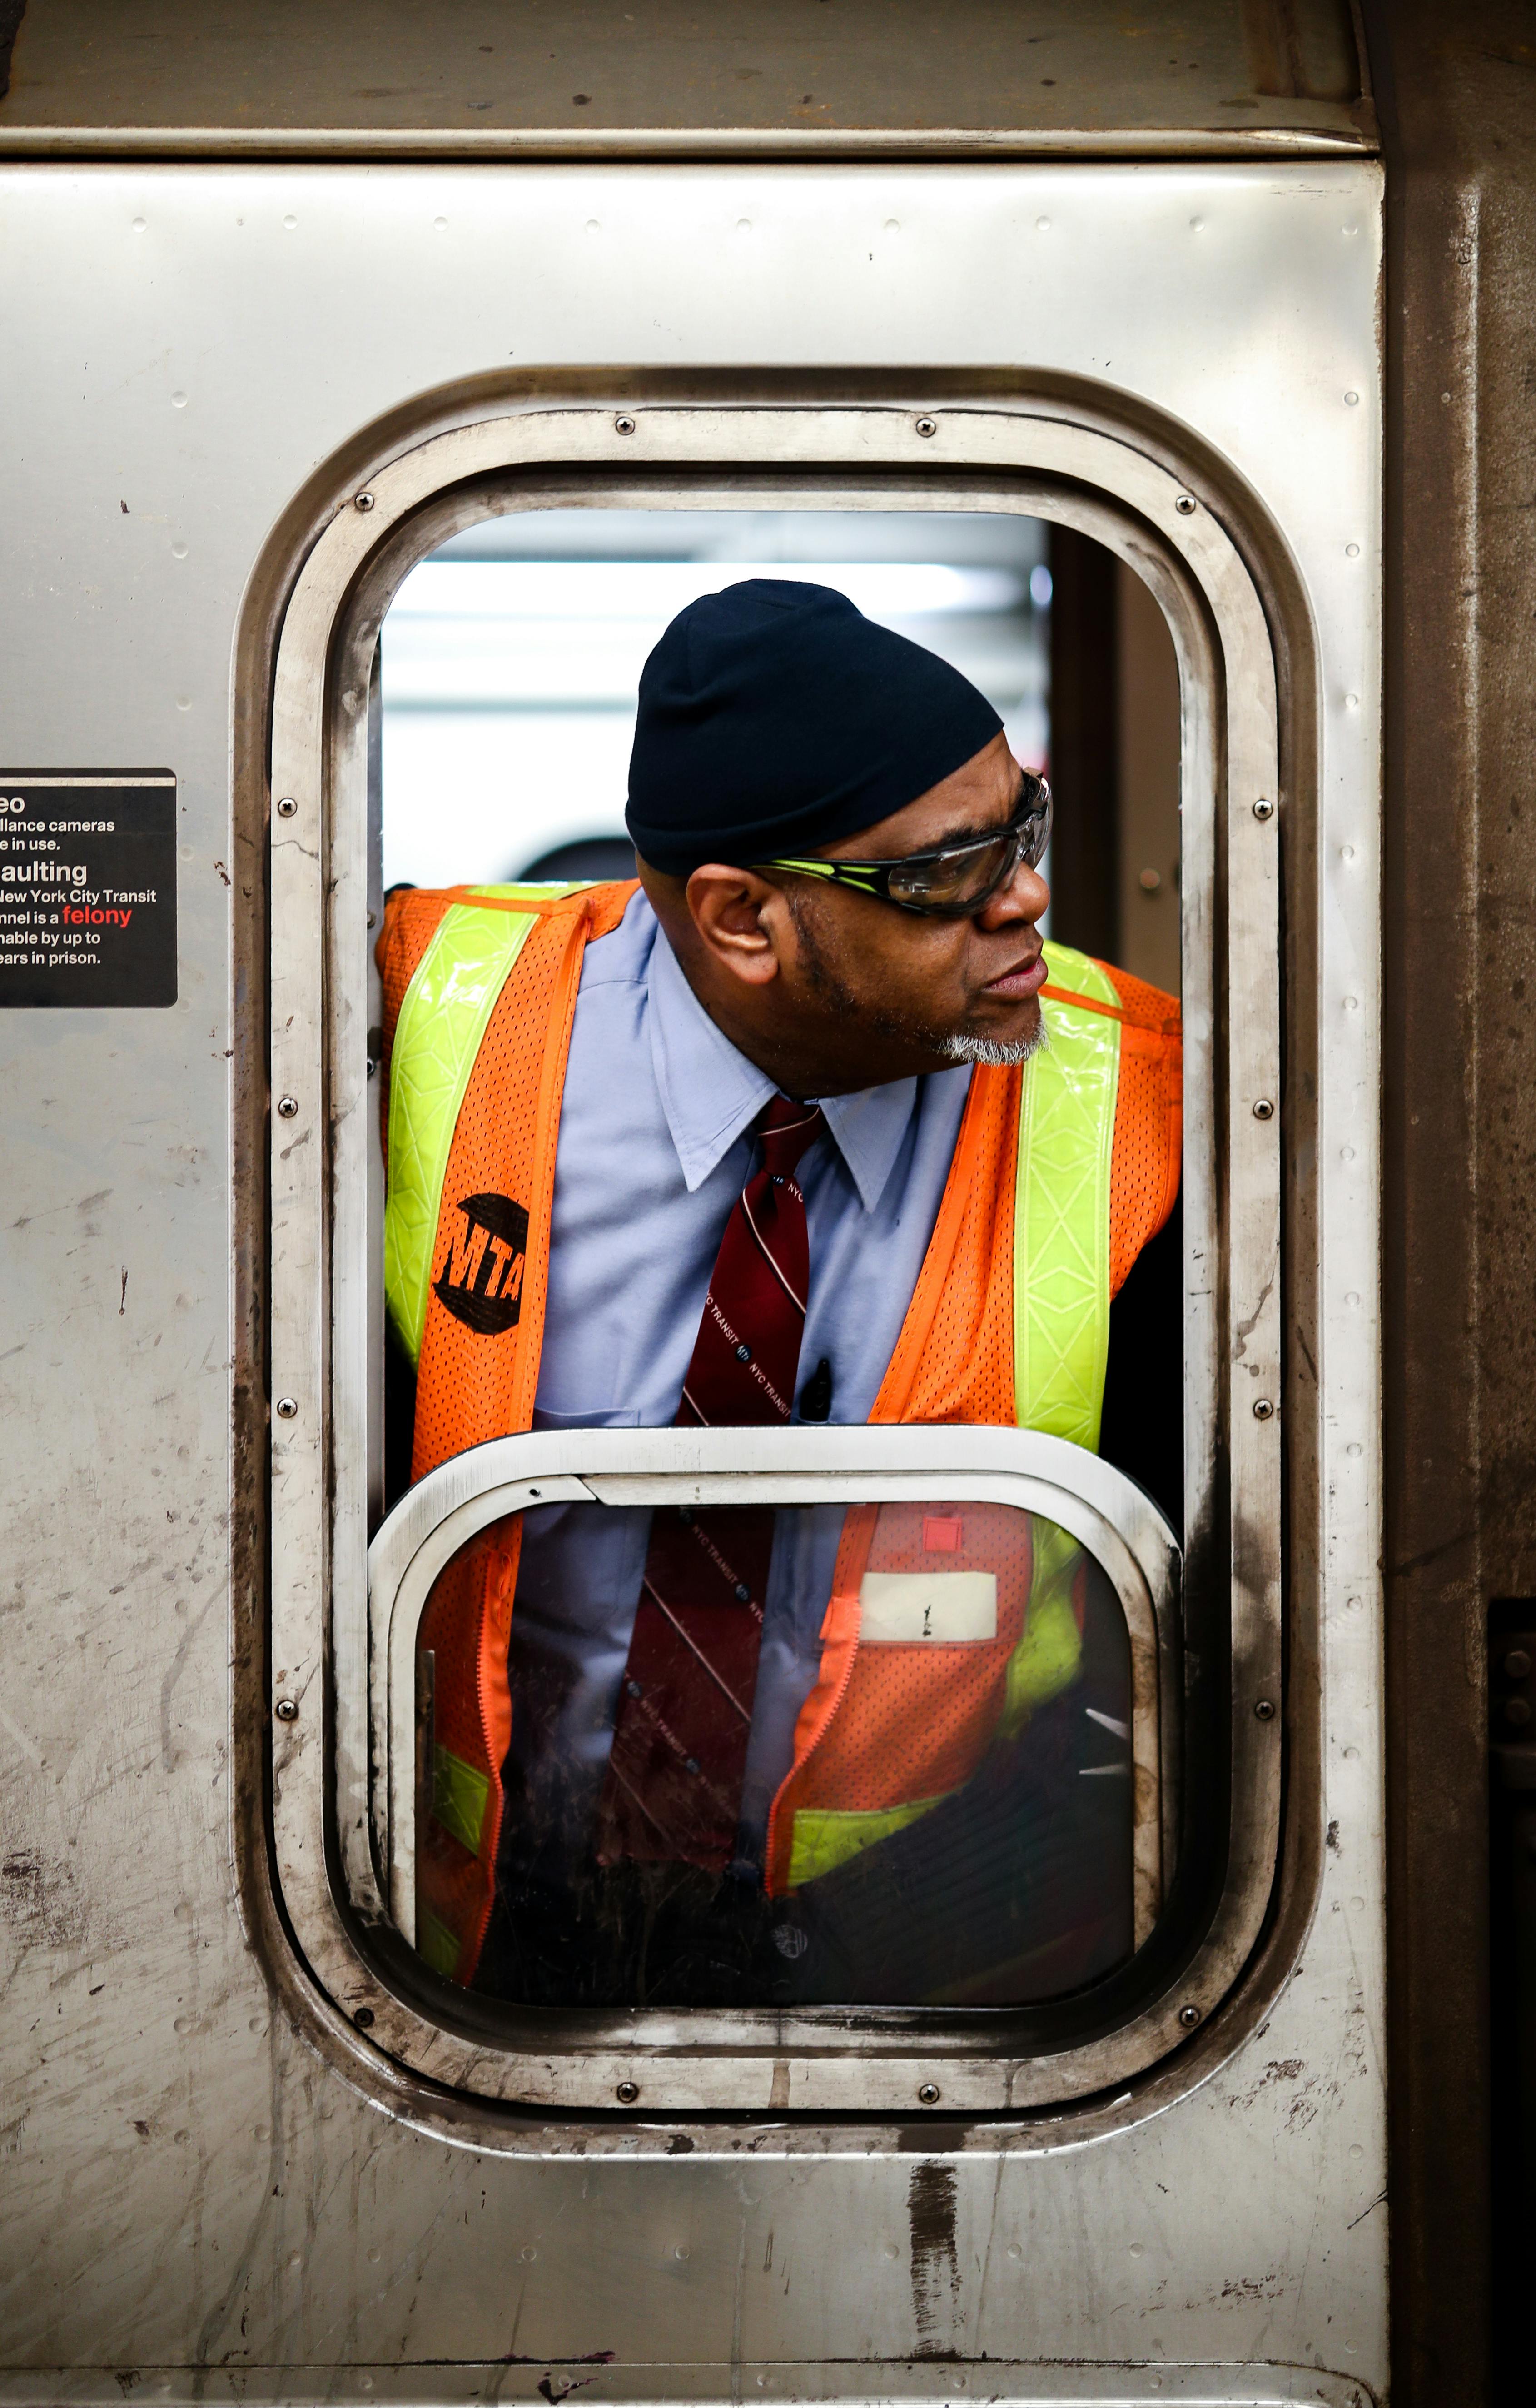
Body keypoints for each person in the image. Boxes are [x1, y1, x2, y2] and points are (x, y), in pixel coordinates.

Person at [377, 578, 1181, 2011]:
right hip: (465, 1970)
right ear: (741, 919)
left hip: (950, 2002)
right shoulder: (413, 1029)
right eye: (948, 874)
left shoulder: (1156, 1120)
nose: (1029, 900)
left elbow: (1211, 1666)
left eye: (1027, 827)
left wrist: (859, 1944)